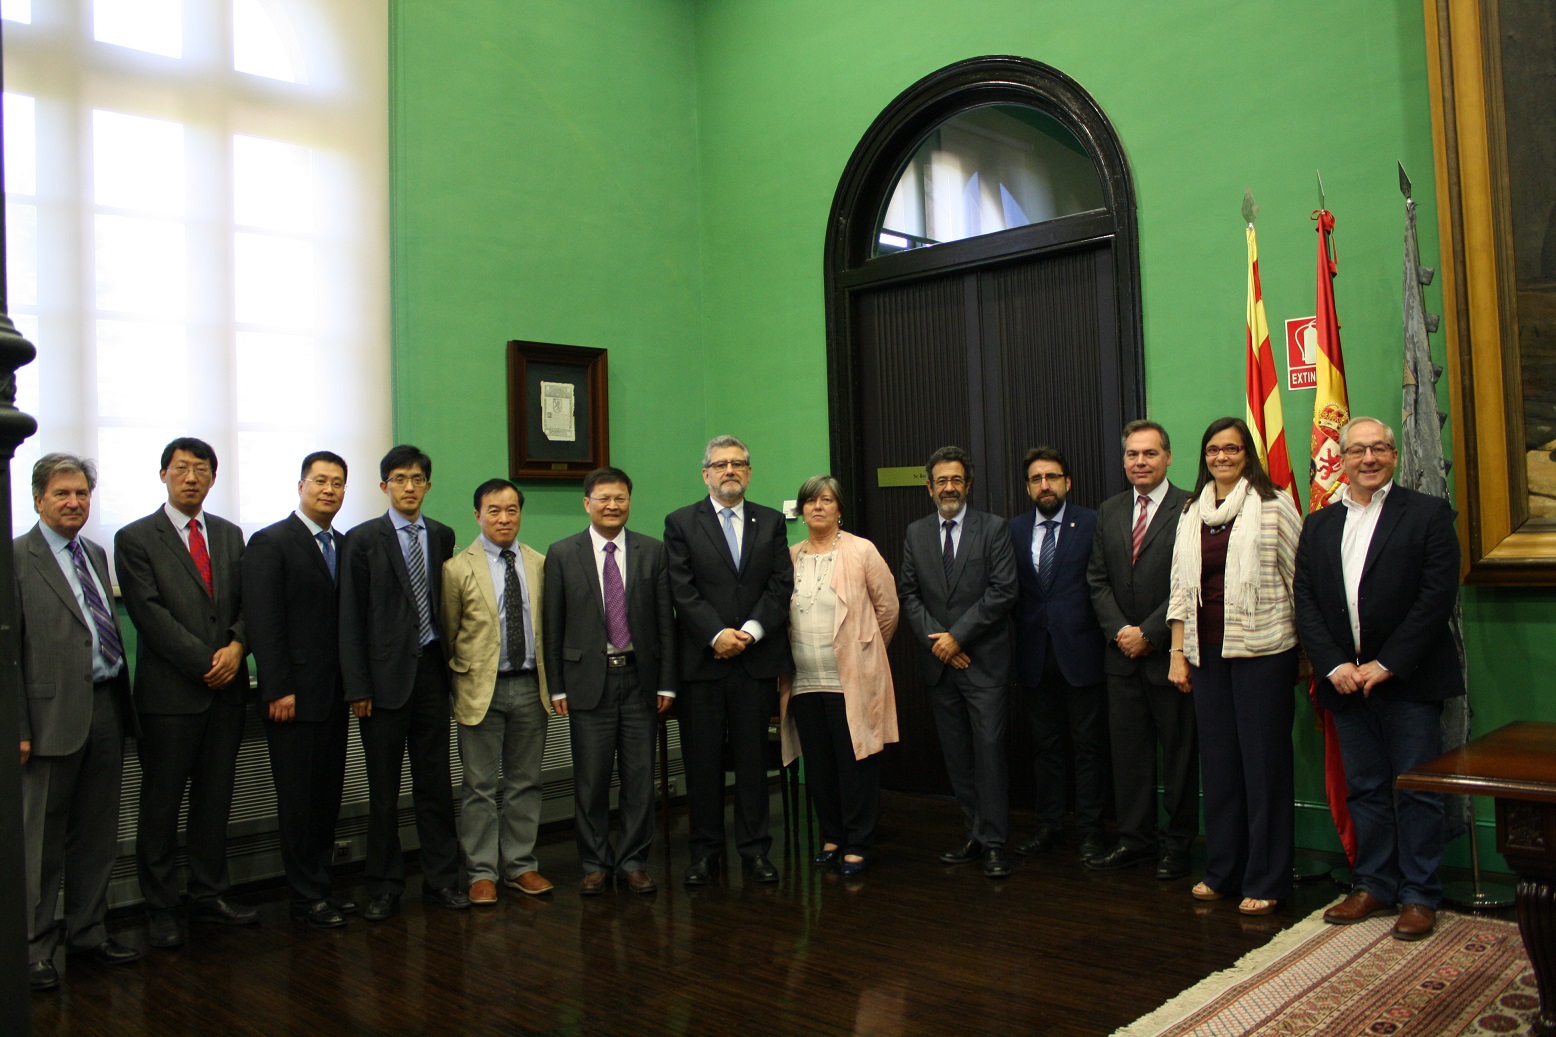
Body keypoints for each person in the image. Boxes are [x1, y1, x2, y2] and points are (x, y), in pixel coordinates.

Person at [1295, 416, 1464, 941]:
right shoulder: (1319, 524)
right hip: (1345, 683)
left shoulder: (1428, 514)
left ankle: (1419, 895)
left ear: (1393, 455)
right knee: (1365, 789)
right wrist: (1334, 665)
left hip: (1408, 680)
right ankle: (1374, 884)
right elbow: (1306, 601)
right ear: (1341, 460)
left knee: (1417, 791)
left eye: (1378, 449)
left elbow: (1436, 598)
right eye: (1357, 450)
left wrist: (1386, 664)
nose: (1368, 458)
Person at [115, 437, 255, 950]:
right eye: (180, 468)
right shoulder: (135, 538)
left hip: (227, 694)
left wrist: (237, 646)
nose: (191, 477)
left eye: (201, 469)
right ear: (163, 475)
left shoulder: (230, 535)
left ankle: (209, 894)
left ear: (213, 478)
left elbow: (249, 601)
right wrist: (207, 663)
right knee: (161, 805)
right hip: (169, 698)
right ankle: (160, 908)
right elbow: (149, 615)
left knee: (214, 803)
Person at [1165, 417, 1303, 916]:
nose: (1222, 457)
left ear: (1248, 454)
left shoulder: (1275, 504)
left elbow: (1299, 580)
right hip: (1205, 655)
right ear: (1204, 457)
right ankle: (1223, 870)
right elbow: (1180, 587)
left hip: (1264, 653)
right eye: (1213, 450)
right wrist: (1177, 653)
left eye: (1232, 449)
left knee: (1264, 767)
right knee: (1220, 767)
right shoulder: (1191, 512)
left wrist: (1307, 655)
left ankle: (1267, 878)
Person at [19, 453, 141, 991]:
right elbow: (8, 656)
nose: (74, 502)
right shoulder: (15, 559)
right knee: (41, 842)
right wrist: (17, 727)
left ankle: (88, 932)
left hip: (106, 705)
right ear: (38, 499)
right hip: (47, 720)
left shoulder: (94, 551)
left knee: (96, 833)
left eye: (82, 494)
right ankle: (34, 948)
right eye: (62, 493)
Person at [338, 445, 469, 921]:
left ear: (428, 486)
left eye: (417, 479)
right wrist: (358, 687)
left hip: (432, 673)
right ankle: (384, 886)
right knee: (384, 791)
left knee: (436, 784)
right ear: (384, 486)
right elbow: (350, 618)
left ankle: (442, 880)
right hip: (381, 682)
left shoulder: (442, 535)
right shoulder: (361, 539)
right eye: (399, 479)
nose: (408, 487)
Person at [664, 435, 794, 886]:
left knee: (753, 762)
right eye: (720, 465)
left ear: (749, 473)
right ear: (706, 474)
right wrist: (716, 634)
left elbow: (780, 585)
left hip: (754, 661)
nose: (730, 471)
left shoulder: (770, 522)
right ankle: (705, 853)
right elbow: (681, 589)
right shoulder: (681, 522)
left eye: (738, 463)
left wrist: (751, 632)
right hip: (703, 664)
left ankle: (755, 852)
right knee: (702, 764)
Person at [543, 467, 677, 895]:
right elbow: (552, 625)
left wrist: (667, 683)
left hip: (640, 680)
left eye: (620, 498)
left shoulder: (652, 551)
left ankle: (633, 861)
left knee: (640, 779)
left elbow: (666, 623)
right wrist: (557, 686)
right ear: (587, 503)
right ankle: (595, 863)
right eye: (603, 498)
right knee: (591, 780)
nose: (612, 505)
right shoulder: (562, 553)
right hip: (587, 683)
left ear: (629, 502)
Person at [243, 450, 357, 928]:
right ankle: (305, 897)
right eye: (320, 481)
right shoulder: (271, 542)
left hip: (335, 694)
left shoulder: (345, 545)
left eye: (337, 483)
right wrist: (277, 687)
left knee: (327, 797)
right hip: (292, 697)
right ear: (301, 486)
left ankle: (321, 886)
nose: (329, 490)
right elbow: (263, 620)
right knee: (298, 800)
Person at [899, 445, 1018, 879]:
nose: (948, 487)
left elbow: (1003, 591)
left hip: (983, 664)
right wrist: (940, 642)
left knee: (989, 755)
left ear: (968, 485)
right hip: (940, 666)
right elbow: (908, 593)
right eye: (941, 481)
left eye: (956, 480)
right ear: (929, 488)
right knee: (958, 757)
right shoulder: (916, 533)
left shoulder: (994, 529)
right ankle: (974, 834)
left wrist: (957, 637)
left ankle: (995, 844)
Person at [1087, 420, 1197, 880]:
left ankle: (1178, 844)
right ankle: (1135, 840)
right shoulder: (1109, 510)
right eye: (1132, 454)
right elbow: (1097, 579)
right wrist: (1120, 631)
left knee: (1179, 758)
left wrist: (1148, 633)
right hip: (1121, 660)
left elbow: (1189, 583)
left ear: (1168, 457)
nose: (1140, 462)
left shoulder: (1190, 506)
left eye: (1150, 453)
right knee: (1129, 756)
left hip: (1170, 656)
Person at [777, 475, 899, 878]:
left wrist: (864, 651)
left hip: (850, 680)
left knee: (856, 763)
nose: (818, 507)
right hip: (804, 681)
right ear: (802, 509)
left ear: (839, 509)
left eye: (826, 500)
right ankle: (832, 836)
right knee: (820, 765)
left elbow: (888, 609)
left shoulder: (861, 550)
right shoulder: (791, 556)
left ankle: (858, 842)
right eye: (810, 501)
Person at [442, 478, 554, 903]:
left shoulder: (539, 563)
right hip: (479, 691)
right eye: (494, 510)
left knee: (527, 782)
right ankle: (481, 872)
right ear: (478, 515)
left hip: (530, 687)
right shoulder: (457, 569)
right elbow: (449, 632)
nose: (504, 518)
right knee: (479, 787)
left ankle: (521, 865)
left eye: (512, 510)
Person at [1008, 447, 1108, 862]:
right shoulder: (1013, 530)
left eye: (1051, 477)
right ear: (1028, 487)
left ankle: (1091, 831)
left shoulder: (1092, 523)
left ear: (1067, 482)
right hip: (1033, 656)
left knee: (1088, 748)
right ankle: (1048, 825)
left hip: (1082, 653)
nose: (1044, 485)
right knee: (1045, 747)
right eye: (1036, 479)